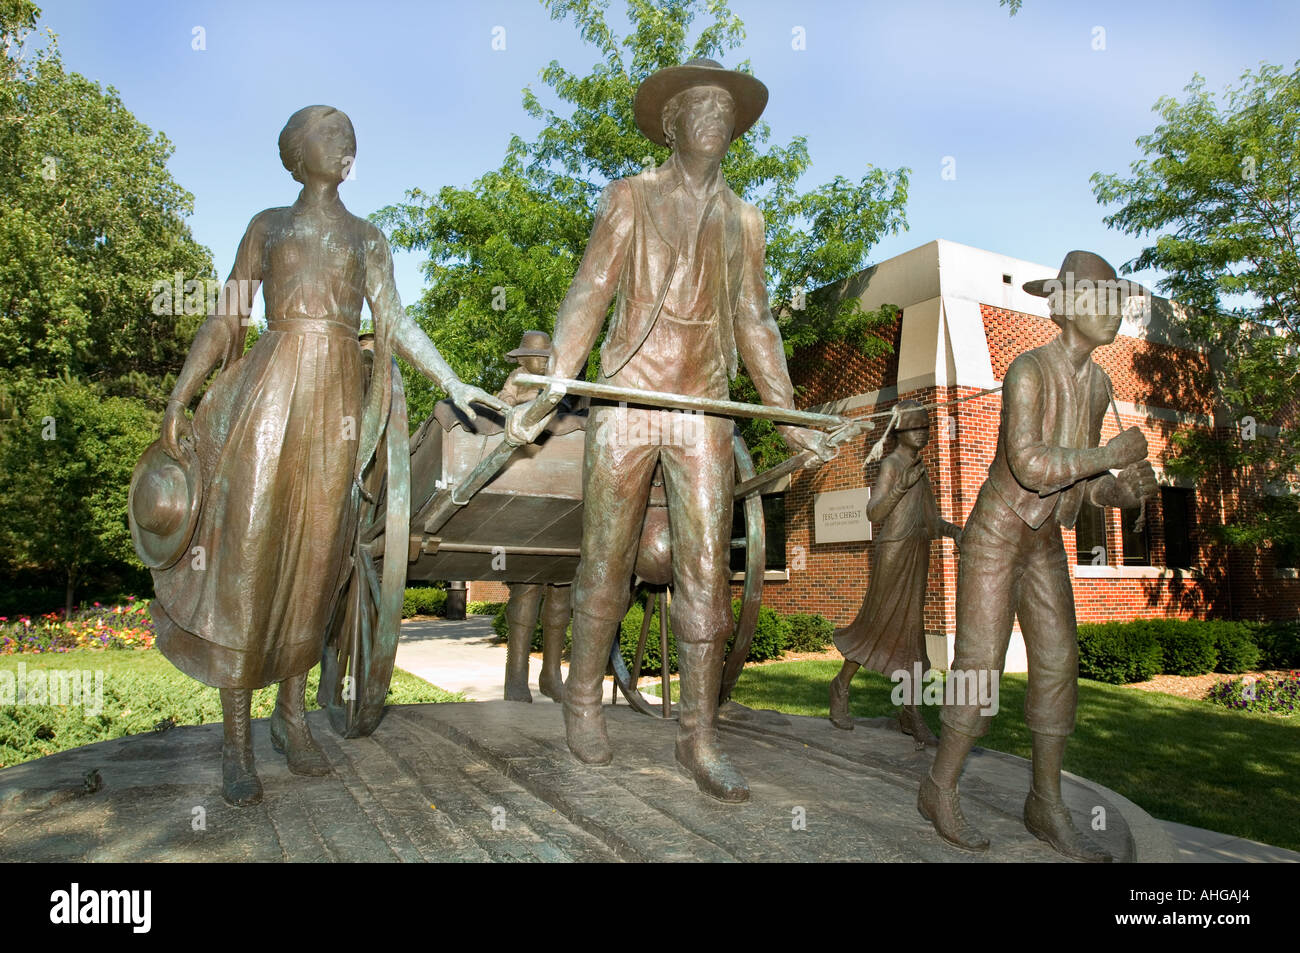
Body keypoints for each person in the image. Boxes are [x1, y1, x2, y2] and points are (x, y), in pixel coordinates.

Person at [145, 105, 504, 807]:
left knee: (317, 560)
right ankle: (236, 739)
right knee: (248, 557)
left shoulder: (369, 238)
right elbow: (227, 316)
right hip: (269, 397)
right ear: (295, 153)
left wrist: (455, 383)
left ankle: (291, 716)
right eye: (328, 134)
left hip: (340, 401)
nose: (345, 144)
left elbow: (392, 321)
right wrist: (180, 397)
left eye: (349, 136)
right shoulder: (268, 225)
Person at [511, 59, 834, 803]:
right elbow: (590, 288)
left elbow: (756, 323)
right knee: (607, 555)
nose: (716, 117)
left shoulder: (745, 220)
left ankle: (699, 733)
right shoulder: (628, 197)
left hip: (704, 408)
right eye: (702, 107)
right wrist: (556, 376)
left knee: (705, 573)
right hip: (625, 398)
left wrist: (786, 417)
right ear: (673, 124)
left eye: (727, 111)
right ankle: (584, 700)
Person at [917, 250, 1158, 861]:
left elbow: (1080, 482)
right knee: (980, 663)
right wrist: (1107, 458)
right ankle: (939, 786)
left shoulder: (1100, 384)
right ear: (1073, 307)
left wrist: (1122, 490)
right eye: (1105, 301)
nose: (1117, 314)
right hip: (998, 532)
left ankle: (1045, 803)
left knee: (1057, 662)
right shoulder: (1027, 370)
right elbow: (1028, 464)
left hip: (1046, 537)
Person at [829, 400, 961, 744]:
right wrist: (901, 486)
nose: (924, 434)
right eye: (918, 428)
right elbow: (874, 513)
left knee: (912, 635)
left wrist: (955, 532)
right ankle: (841, 685)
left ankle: (909, 710)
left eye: (927, 428)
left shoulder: (921, 468)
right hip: (893, 554)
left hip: (917, 554)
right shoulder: (892, 464)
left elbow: (929, 521)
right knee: (877, 624)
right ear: (902, 431)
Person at [498, 330, 571, 703]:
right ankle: (516, 677)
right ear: (521, 360)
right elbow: (501, 409)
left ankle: (552, 674)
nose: (539, 362)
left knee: (563, 592)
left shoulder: (563, 384)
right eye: (533, 357)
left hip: (565, 491)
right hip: (528, 491)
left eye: (544, 357)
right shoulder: (516, 381)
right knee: (527, 588)